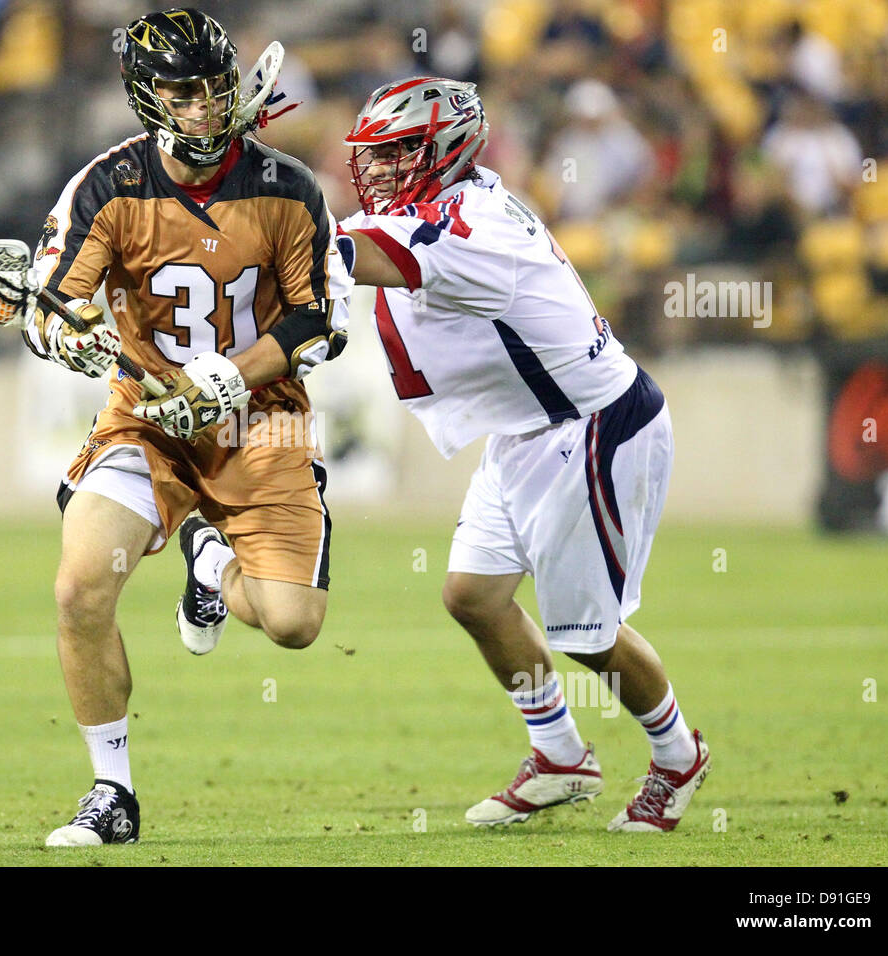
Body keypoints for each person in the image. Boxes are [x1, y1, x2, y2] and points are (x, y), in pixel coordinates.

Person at [0, 8, 350, 847]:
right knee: (80, 588)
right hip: (147, 424)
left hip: (265, 426)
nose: (203, 106)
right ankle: (112, 791)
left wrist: (225, 378)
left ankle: (209, 561)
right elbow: (56, 308)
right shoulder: (107, 187)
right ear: (148, 97)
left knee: (294, 625)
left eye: (213, 86)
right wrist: (55, 331)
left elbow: (319, 321)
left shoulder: (287, 186)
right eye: (182, 91)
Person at [334, 76, 708, 832]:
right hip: (526, 429)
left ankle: (677, 754)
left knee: (590, 638)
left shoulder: (474, 225)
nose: (377, 170)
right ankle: (562, 756)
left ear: (443, 149)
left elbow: (354, 254)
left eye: (398, 151)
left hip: (593, 426)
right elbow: (338, 259)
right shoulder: (429, 210)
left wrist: (259, 219)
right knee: (473, 596)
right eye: (372, 155)